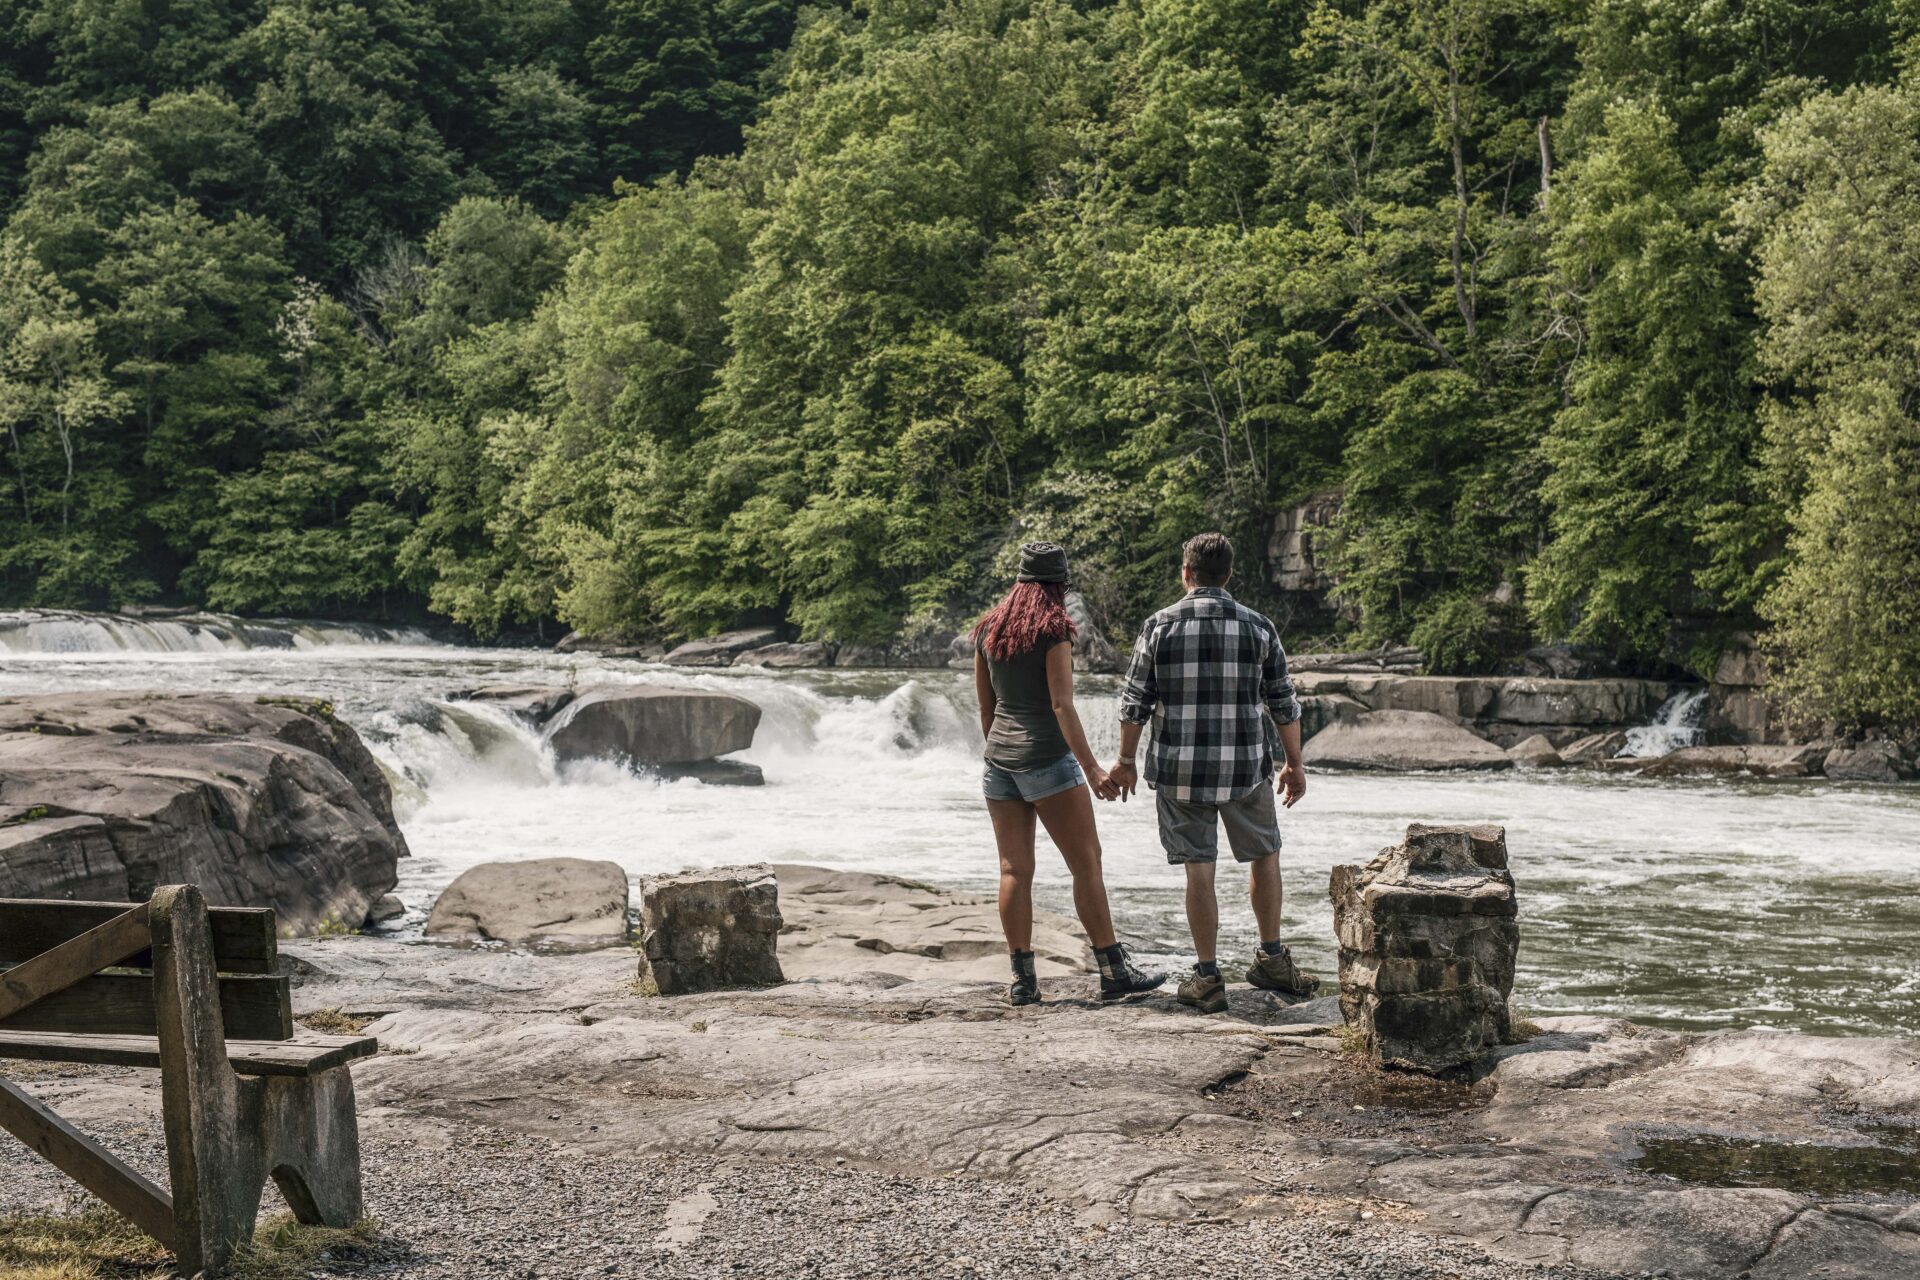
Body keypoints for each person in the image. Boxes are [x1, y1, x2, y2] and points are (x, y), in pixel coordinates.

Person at [1105, 531, 1320, 1014]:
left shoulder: (1159, 626)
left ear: (1187, 574)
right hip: (1246, 767)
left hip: (1180, 771)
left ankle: (1206, 977)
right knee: (1265, 856)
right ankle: (1270, 958)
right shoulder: (1259, 627)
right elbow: (1283, 702)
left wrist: (1124, 762)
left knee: (1198, 872)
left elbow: (1134, 702)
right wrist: (1295, 764)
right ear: (1228, 575)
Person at [974, 541, 1166, 1006]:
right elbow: (1062, 704)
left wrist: (1001, 751)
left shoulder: (987, 629)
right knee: (1086, 864)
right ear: (1059, 584)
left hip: (999, 763)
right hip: (1046, 760)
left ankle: (1023, 981)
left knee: (1014, 870)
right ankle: (1113, 971)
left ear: (1020, 579)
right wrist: (1093, 768)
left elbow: (987, 707)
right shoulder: (1054, 630)